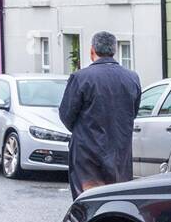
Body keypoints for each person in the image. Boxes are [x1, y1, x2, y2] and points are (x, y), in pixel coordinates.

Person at [58, 31, 141, 199]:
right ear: (115, 50)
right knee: (117, 199)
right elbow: (134, 111)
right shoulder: (132, 78)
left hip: (87, 152)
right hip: (120, 152)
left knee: (89, 200)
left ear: (92, 51)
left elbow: (66, 114)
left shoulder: (81, 77)